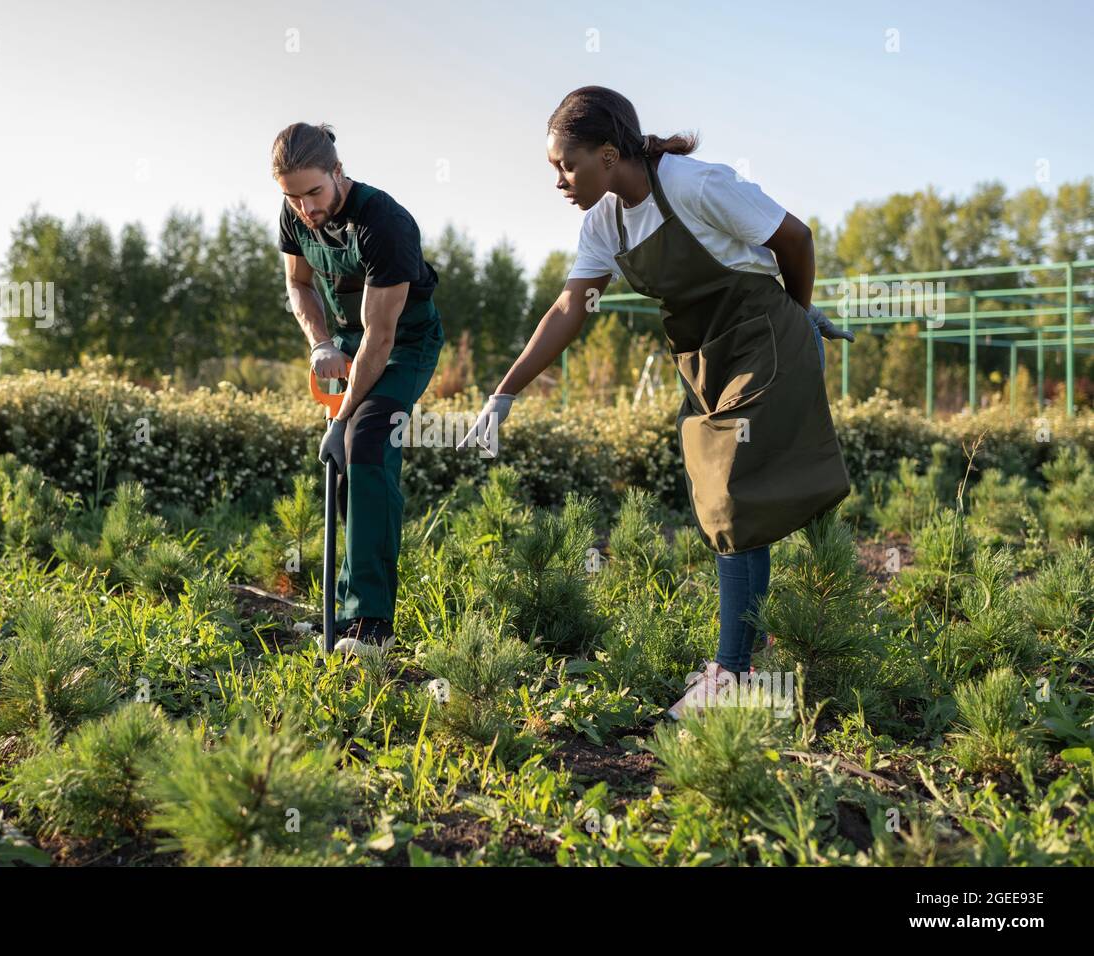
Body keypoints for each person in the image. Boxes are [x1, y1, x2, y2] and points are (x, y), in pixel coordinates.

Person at [459, 86, 852, 718]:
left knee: (731, 495)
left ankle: (732, 672)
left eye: (567, 164)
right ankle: (748, 661)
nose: (559, 180)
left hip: (763, 342)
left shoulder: (698, 186)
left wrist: (798, 317)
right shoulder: (603, 223)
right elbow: (569, 309)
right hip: (703, 358)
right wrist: (503, 394)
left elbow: (795, 240)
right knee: (727, 505)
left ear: (609, 155)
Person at [273, 122, 445, 656]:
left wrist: (345, 415)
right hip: (350, 345)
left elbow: (382, 335)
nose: (304, 207)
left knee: (367, 447)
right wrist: (320, 343)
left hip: (404, 347)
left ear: (338, 173)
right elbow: (298, 285)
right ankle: (343, 614)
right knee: (348, 468)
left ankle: (372, 627)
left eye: (314, 193)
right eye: (292, 197)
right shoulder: (293, 214)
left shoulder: (383, 223)